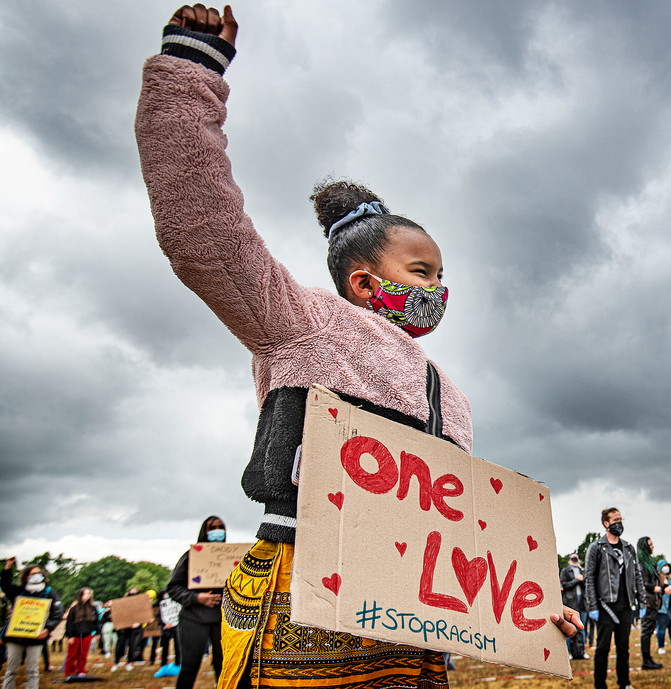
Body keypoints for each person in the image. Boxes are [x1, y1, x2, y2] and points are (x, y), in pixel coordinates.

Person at [134, 8, 582, 689]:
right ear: (364, 281)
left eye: (441, 274)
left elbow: (463, 542)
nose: (438, 287)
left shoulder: (450, 397)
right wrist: (191, 72)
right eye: (422, 272)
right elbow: (201, 227)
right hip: (302, 604)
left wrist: (534, 611)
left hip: (406, 628)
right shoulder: (304, 325)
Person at [166, 517, 227, 689]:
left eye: (220, 527)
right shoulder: (191, 556)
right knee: (189, 666)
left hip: (222, 620)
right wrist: (197, 597)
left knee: (223, 665)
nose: (217, 531)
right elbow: (173, 587)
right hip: (193, 618)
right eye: (212, 528)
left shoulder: (233, 556)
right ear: (204, 531)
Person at [584, 507, 640, 689]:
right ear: (606, 524)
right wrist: (592, 605)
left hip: (625, 606)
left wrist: (641, 601)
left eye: (620, 519)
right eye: (615, 520)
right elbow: (589, 578)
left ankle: (624, 683)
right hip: (605, 606)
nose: (619, 523)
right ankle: (600, 685)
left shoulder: (629, 548)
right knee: (602, 649)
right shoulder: (596, 548)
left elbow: (637, 575)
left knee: (623, 648)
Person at [2, 558, 64, 689]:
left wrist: (47, 629)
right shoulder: (19, 591)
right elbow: (5, 585)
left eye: (38, 573)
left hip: (37, 637)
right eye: (32, 574)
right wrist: (8, 567)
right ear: (26, 576)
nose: (36, 576)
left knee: (32, 670)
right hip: (16, 636)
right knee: (11, 670)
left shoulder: (48, 592)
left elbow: (57, 612)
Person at [635, 537, 663, 671]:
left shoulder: (650, 562)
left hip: (653, 601)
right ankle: (646, 660)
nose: (653, 546)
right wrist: (654, 588)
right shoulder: (640, 563)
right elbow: (642, 582)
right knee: (646, 632)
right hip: (647, 601)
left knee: (649, 631)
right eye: (650, 545)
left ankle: (648, 659)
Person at [63, 587, 101, 679]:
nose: (88, 595)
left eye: (89, 593)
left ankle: (81, 671)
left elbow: (96, 622)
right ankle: (69, 672)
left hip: (87, 634)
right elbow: (69, 623)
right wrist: (70, 635)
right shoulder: (74, 608)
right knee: (72, 655)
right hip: (75, 635)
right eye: (86, 593)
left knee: (83, 654)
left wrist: (97, 633)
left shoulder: (92, 608)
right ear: (81, 595)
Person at [561, 553, 589, 661]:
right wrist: (577, 580)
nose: (575, 558)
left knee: (582, 628)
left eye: (576, 557)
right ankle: (567, 652)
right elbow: (565, 585)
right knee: (569, 629)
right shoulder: (565, 571)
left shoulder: (582, 570)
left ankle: (582, 651)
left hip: (582, 603)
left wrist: (582, 580)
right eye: (573, 557)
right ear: (569, 559)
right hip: (570, 603)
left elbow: (586, 585)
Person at [111, 588, 145, 671]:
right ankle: (116, 663)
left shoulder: (139, 604)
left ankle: (129, 663)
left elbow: (142, 615)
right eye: (132, 591)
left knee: (132, 645)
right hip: (123, 628)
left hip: (134, 629)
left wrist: (138, 623)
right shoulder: (123, 603)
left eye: (135, 592)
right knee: (120, 645)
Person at [653, 560, 671, 655]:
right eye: (663, 566)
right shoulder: (658, 579)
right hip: (663, 607)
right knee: (661, 628)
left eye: (667, 565)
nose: (666, 567)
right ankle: (661, 647)